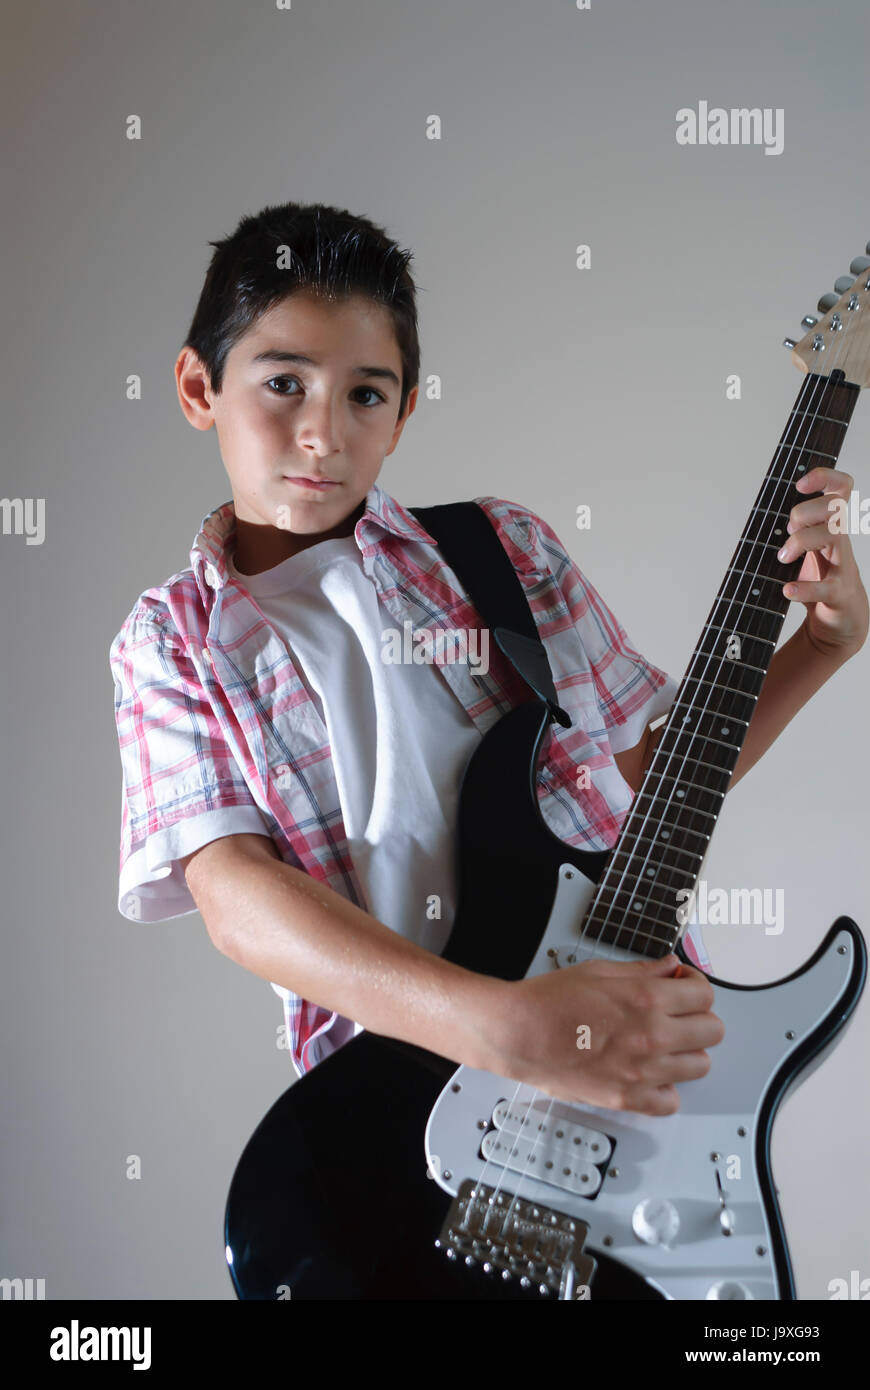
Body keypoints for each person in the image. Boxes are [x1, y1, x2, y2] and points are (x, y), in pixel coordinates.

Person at [109, 200, 868, 1122]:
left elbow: (651, 779)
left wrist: (823, 647)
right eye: (283, 384)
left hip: (626, 1052)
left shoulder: (502, 549)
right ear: (199, 389)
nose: (324, 432)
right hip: (402, 1111)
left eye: (365, 393)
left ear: (403, 413)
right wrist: (510, 1027)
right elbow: (237, 894)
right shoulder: (174, 635)